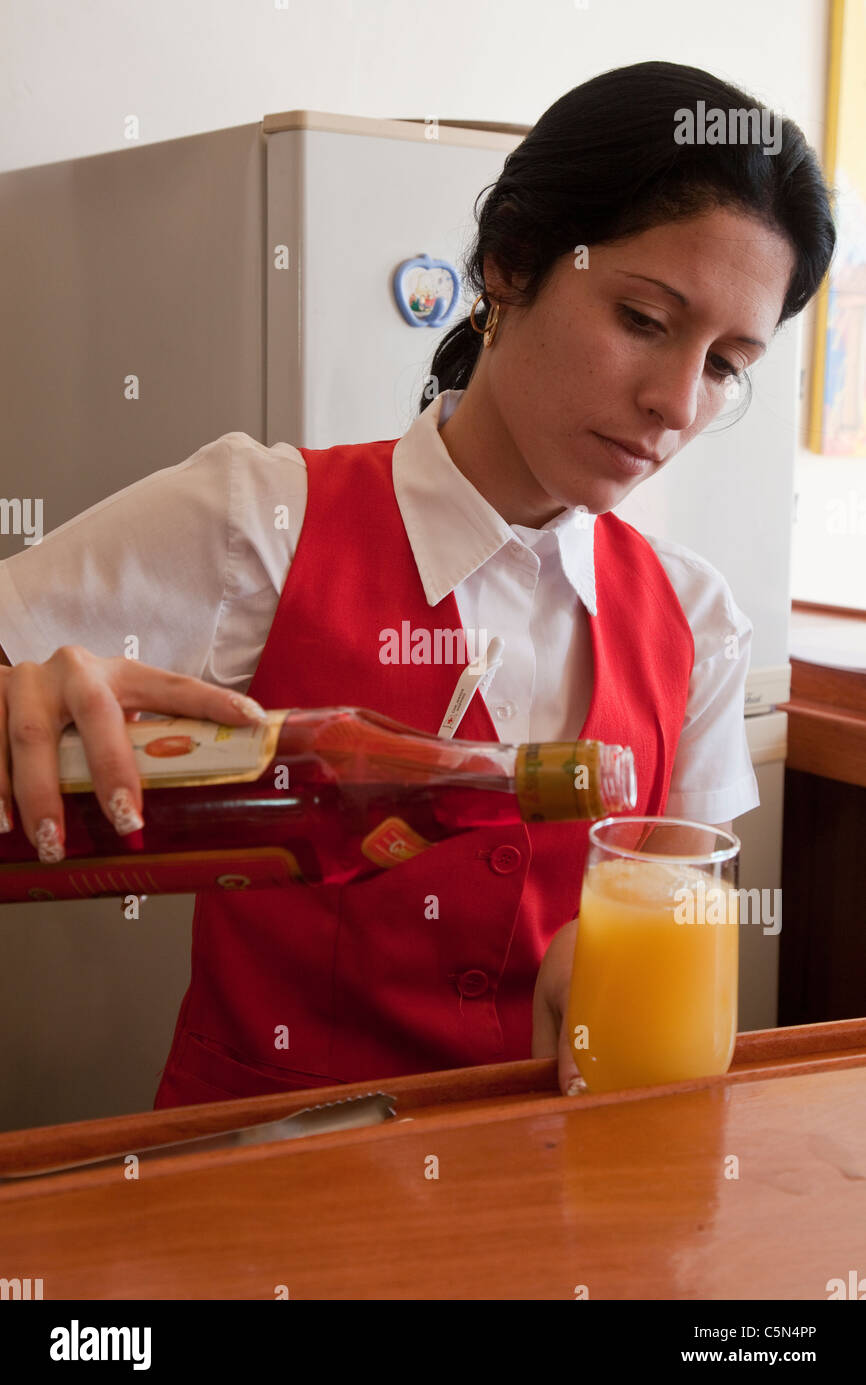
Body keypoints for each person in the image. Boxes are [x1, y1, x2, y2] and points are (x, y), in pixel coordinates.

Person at [0, 61, 835, 1104]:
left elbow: (640, 934)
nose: (675, 402)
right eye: (642, 319)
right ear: (510, 261)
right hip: (251, 1191)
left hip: (545, 1212)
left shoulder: (694, 618)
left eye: (723, 365)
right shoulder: (258, 520)